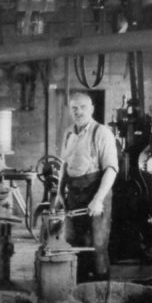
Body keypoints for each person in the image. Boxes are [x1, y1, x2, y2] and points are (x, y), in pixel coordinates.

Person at [55, 91, 119, 283]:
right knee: (75, 245)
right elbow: (64, 166)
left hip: (96, 194)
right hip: (73, 196)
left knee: (98, 247)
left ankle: (100, 293)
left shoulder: (102, 133)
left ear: (91, 109)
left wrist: (98, 199)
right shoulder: (68, 133)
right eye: (74, 108)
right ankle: (80, 289)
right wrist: (59, 193)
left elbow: (111, 169)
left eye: (83, 107)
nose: (78, 111)